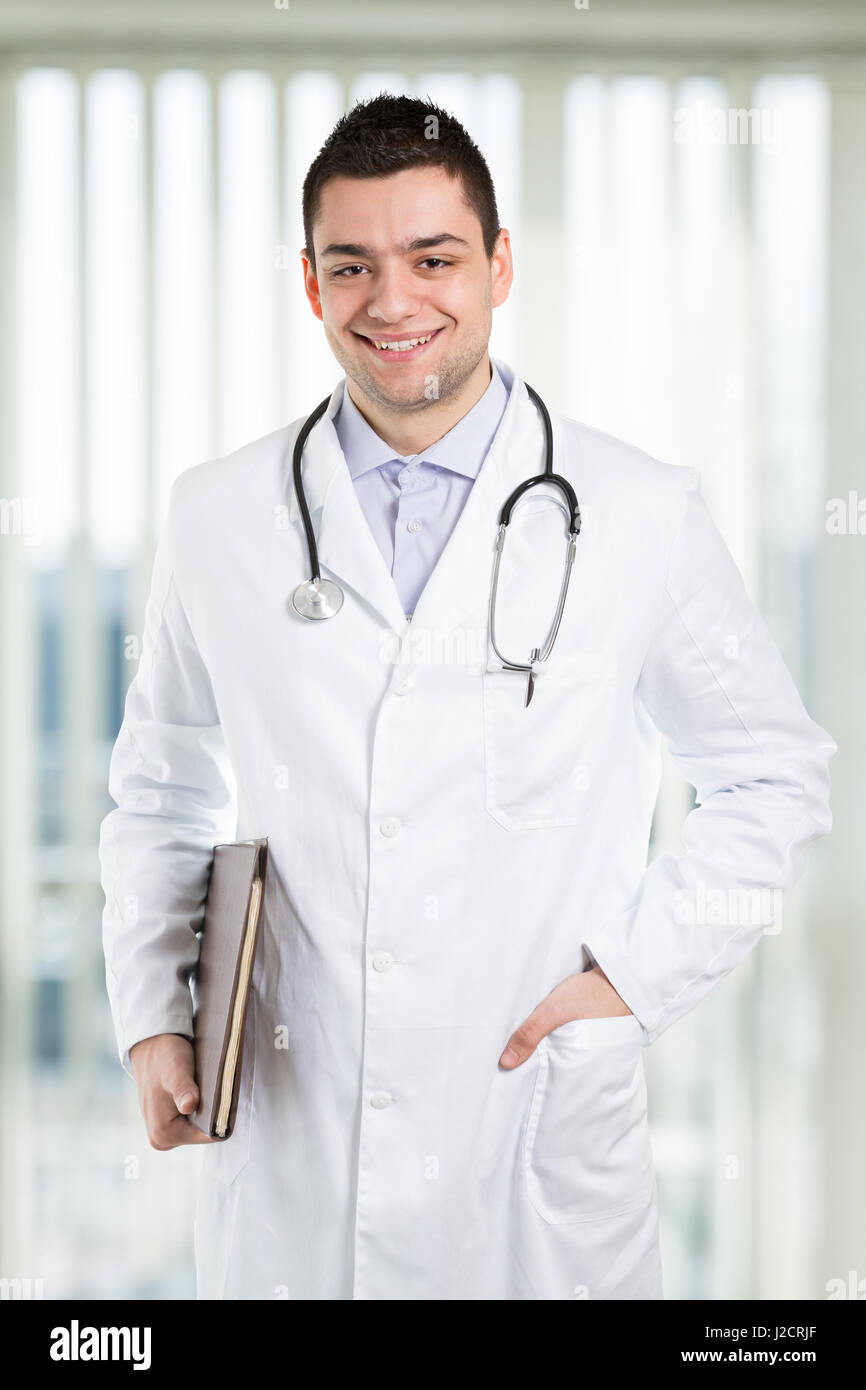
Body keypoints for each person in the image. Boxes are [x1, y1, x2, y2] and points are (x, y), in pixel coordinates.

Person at [99, 92, 835, 1301]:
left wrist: (628, 983)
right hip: (298, 1139)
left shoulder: (639, 510)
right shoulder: (218, 513)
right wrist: (152, 1017)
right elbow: (160, 783)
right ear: (309, 283)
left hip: (534, 1147)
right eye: (352, 265)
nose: (393, 302)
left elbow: (775, 775)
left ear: (498, 265)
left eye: (432, 257)